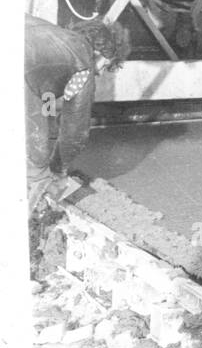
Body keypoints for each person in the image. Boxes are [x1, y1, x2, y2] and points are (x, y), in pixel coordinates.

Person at [25, 15, 130, 213]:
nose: (99, 73)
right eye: (105, 67)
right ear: (100, 53)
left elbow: (44, 97)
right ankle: (26, 215)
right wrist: (58, 168)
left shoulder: (52, 37)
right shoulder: (82, 64)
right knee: (37, 159)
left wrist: (50, 129)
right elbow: (75, 130)